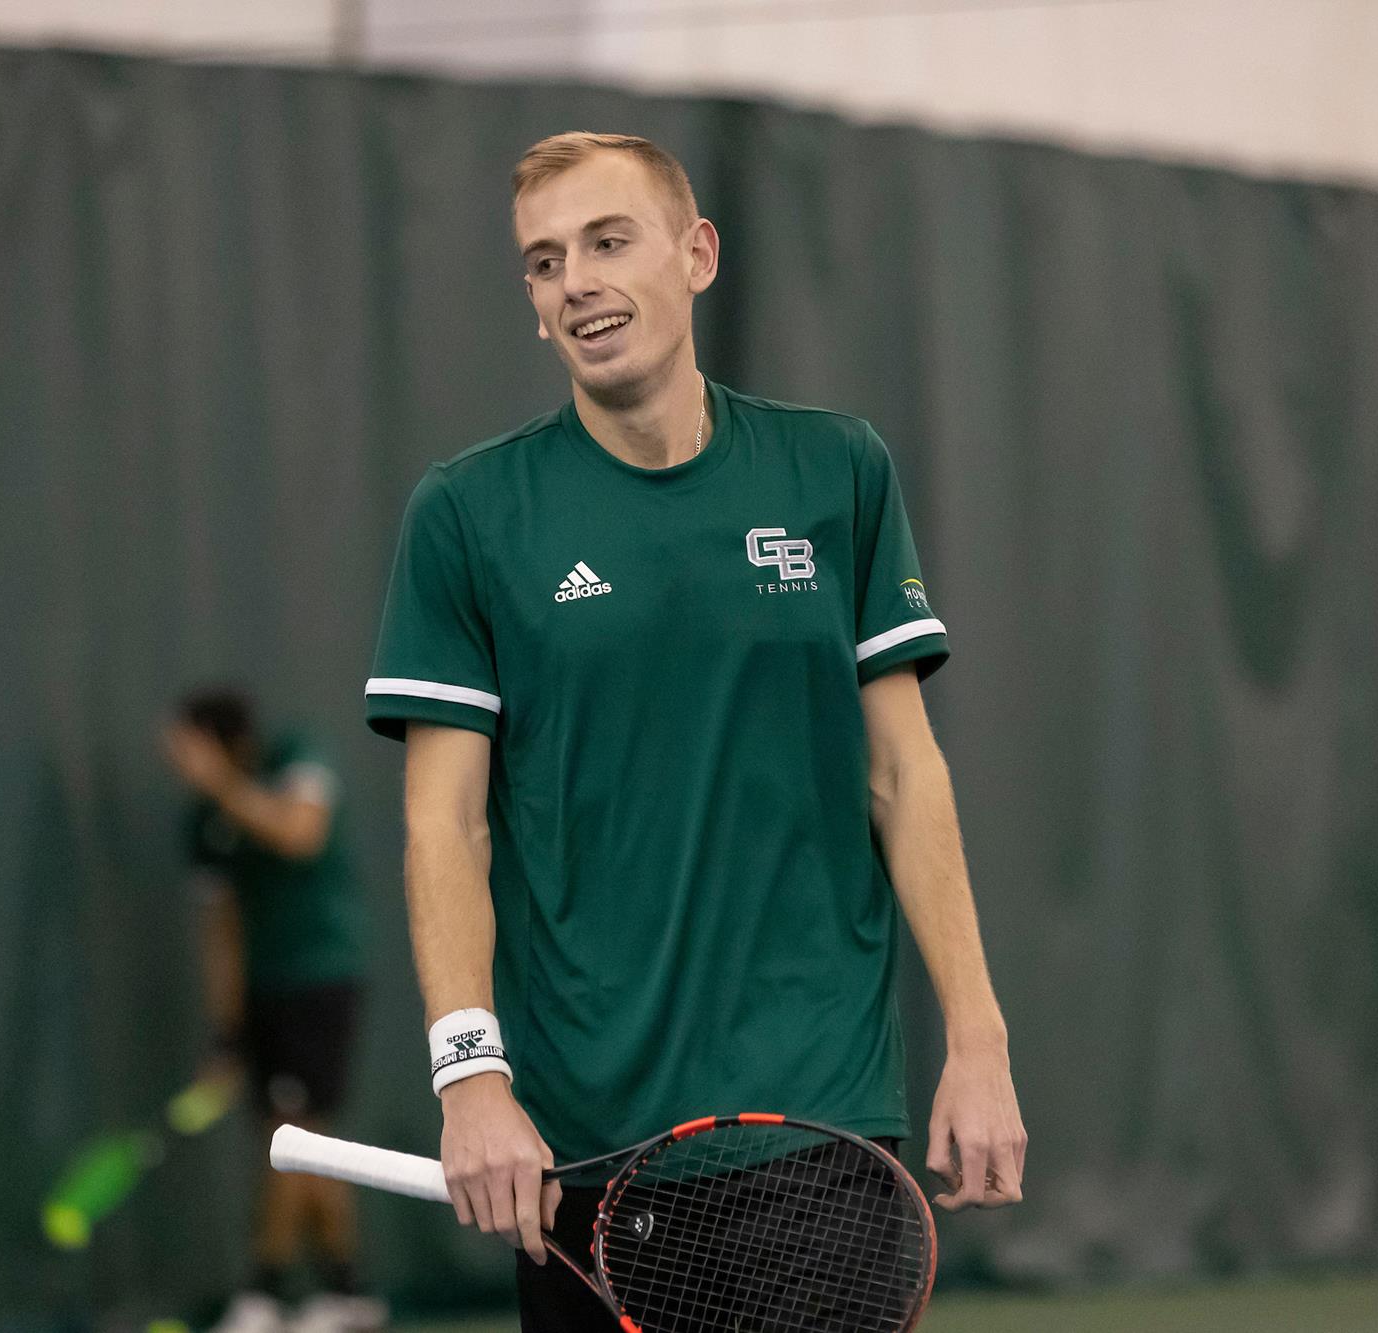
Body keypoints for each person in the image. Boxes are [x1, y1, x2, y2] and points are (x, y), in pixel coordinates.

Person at [365, 132, 1027, 1332]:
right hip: (580, 1147)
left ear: (696, 255)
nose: (575, 283)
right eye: (544, 262)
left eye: (607, 242)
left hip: (819, 1121)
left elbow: (902, 772)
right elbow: (443, 825)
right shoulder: (466, 515)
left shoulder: (836, 471)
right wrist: (469, 1078)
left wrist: (977, 1042)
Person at [164, 688, 384, 1333]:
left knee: (296, 1135)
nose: (177, 762)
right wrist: (227, 1031)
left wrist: (222, 785)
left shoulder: (296, 756)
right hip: (263, 992)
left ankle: (264, 1293)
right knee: (302, 1141)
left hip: (321, 977)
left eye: (185, 748)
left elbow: (299, 833)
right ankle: (347, 1291)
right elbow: (222, 931)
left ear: (220, 742)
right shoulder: (202, 823)